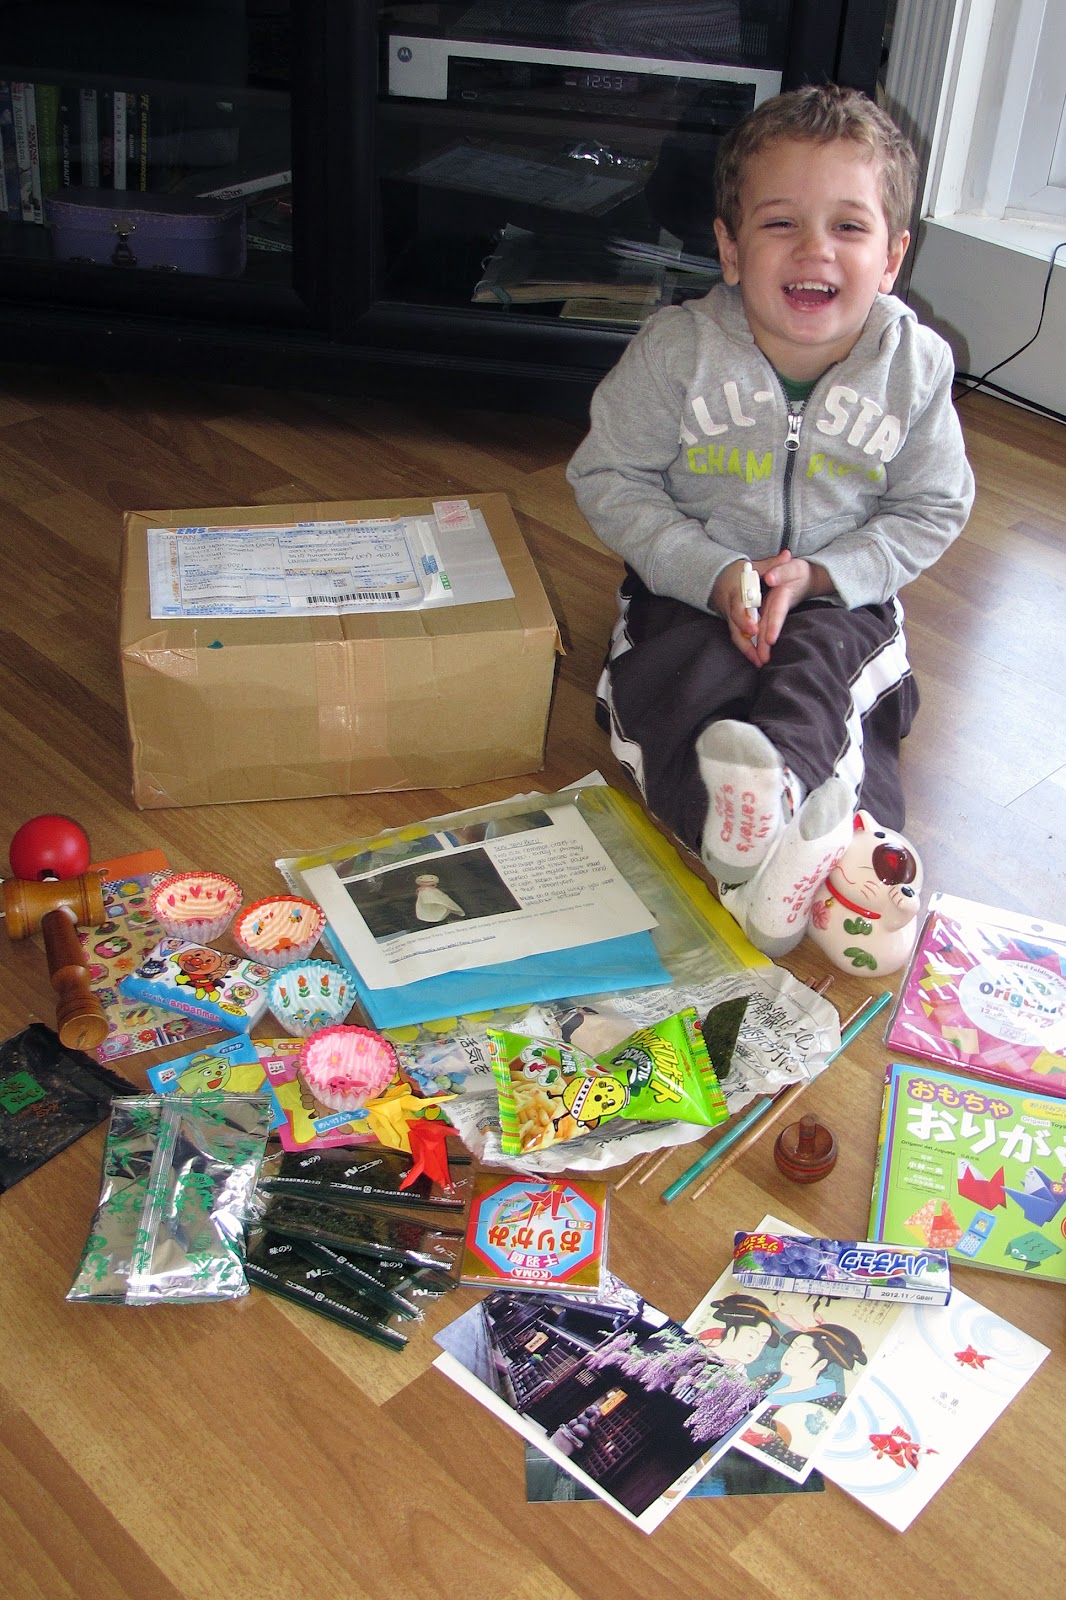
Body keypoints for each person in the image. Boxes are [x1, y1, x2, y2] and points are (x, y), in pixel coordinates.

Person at [566, 84, 975, 954]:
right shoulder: (676, 351)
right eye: (781, 223)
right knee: (679, 687)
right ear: (729, 247)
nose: (813, 249)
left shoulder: (914, 365)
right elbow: (609, 476)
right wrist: (708, 569)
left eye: (849, 228)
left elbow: (933, 504)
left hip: (840, 598)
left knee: (829, 692)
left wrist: (829, 574)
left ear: (893, 255)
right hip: (694, 588)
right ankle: (743, 843)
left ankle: (844, 863)